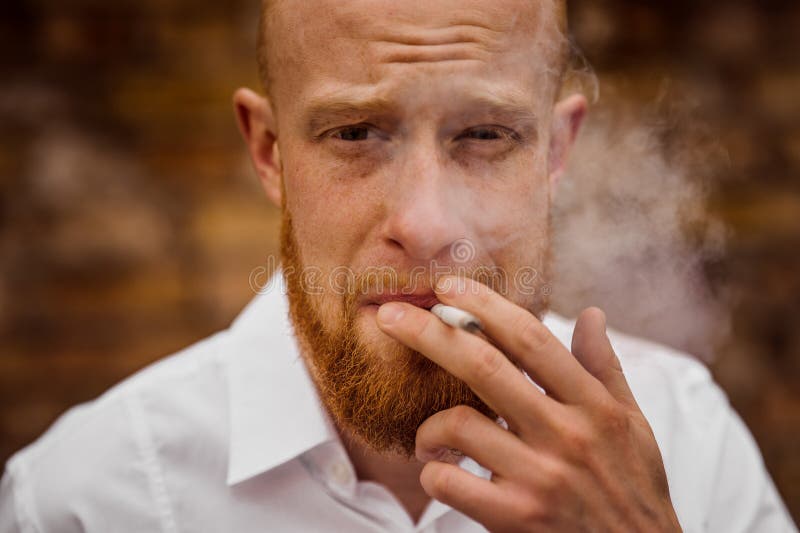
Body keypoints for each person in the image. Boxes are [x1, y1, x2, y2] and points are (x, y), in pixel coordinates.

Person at [1, 0, 796, 531]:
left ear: (555, 152)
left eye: (484, 135)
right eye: (355, 133)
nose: (426, 225)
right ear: (269, 151)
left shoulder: (688, 442)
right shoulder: (82, 498)